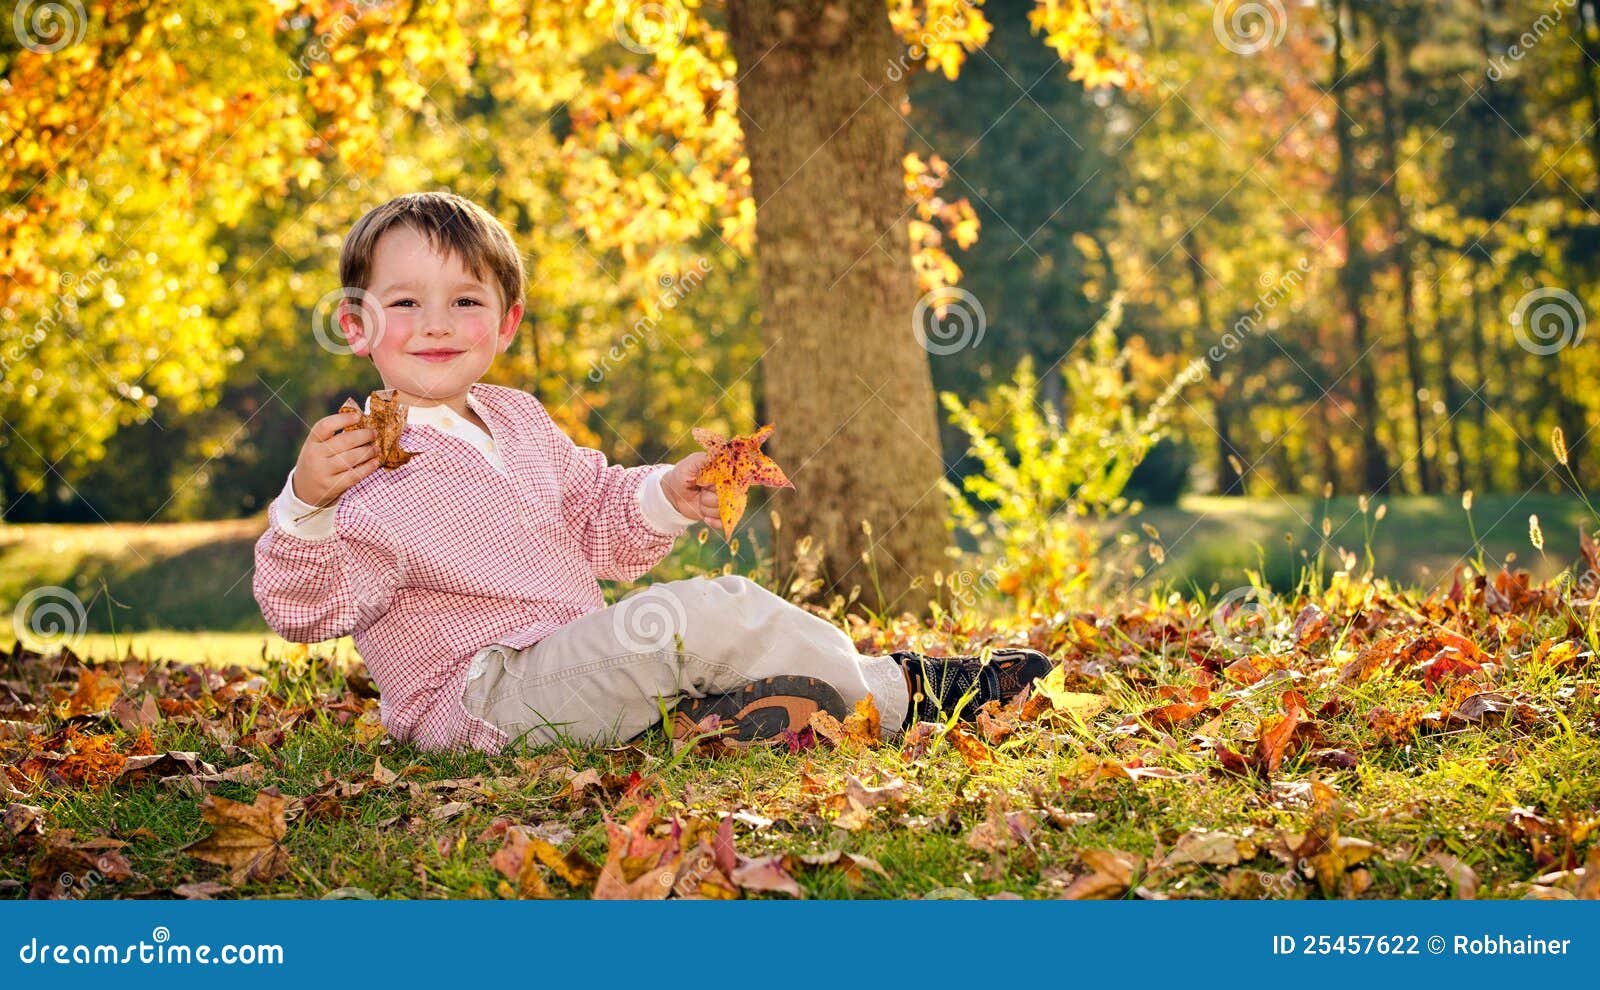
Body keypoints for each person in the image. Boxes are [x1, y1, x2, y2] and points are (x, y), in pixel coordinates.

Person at [252, 190, 1051, 754]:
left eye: (465, 301)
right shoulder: (354, 462)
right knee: (683, 619)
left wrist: (666, 494)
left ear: (507, 322)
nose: (436, 324)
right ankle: (904, 695)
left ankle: (734, 717)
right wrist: (306, 504)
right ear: (357, 325)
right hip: (480, 699)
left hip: (570, 660)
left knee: (718, 608)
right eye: (404, 304)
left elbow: (594, 512)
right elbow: (308, 611)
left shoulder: (518, 418)